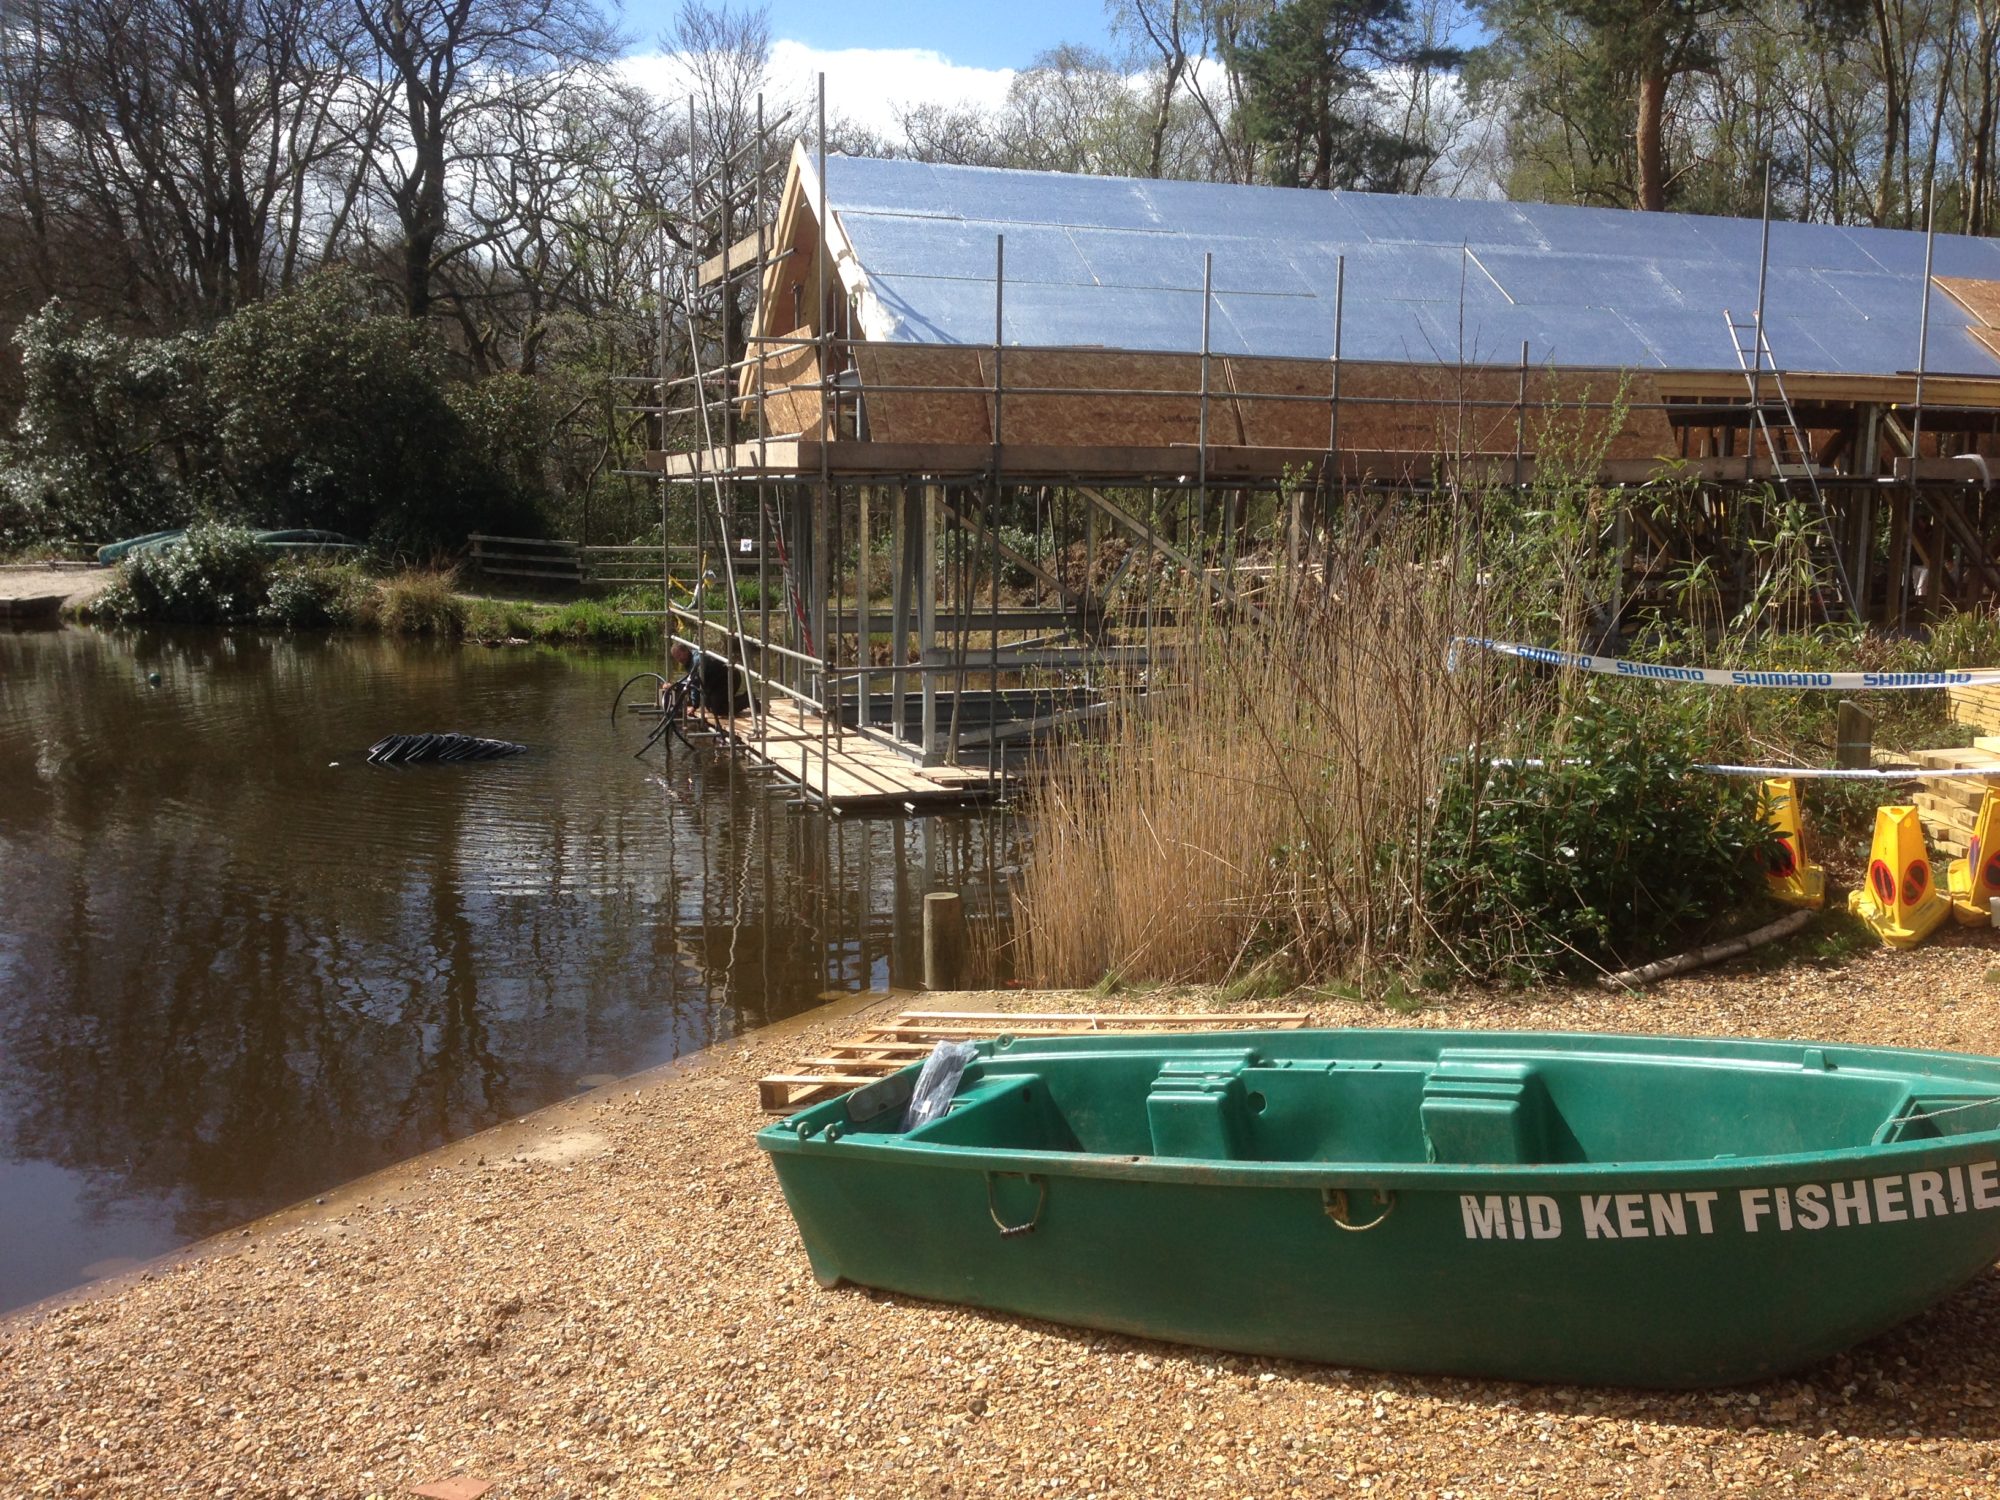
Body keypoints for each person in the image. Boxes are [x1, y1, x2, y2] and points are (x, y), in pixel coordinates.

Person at [668, 641, 752, 718]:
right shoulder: (688, 662)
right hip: (716, 683)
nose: (679, 660)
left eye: (679, 655)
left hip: (729, 678)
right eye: (676, 658)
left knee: (718, 709)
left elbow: (695, 682)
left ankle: (747, 699)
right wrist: (676, 685)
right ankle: (738, 700)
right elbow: (693, 681)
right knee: (709, 706)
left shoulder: (696, 660)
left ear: (686, 650)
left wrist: (694, 706)